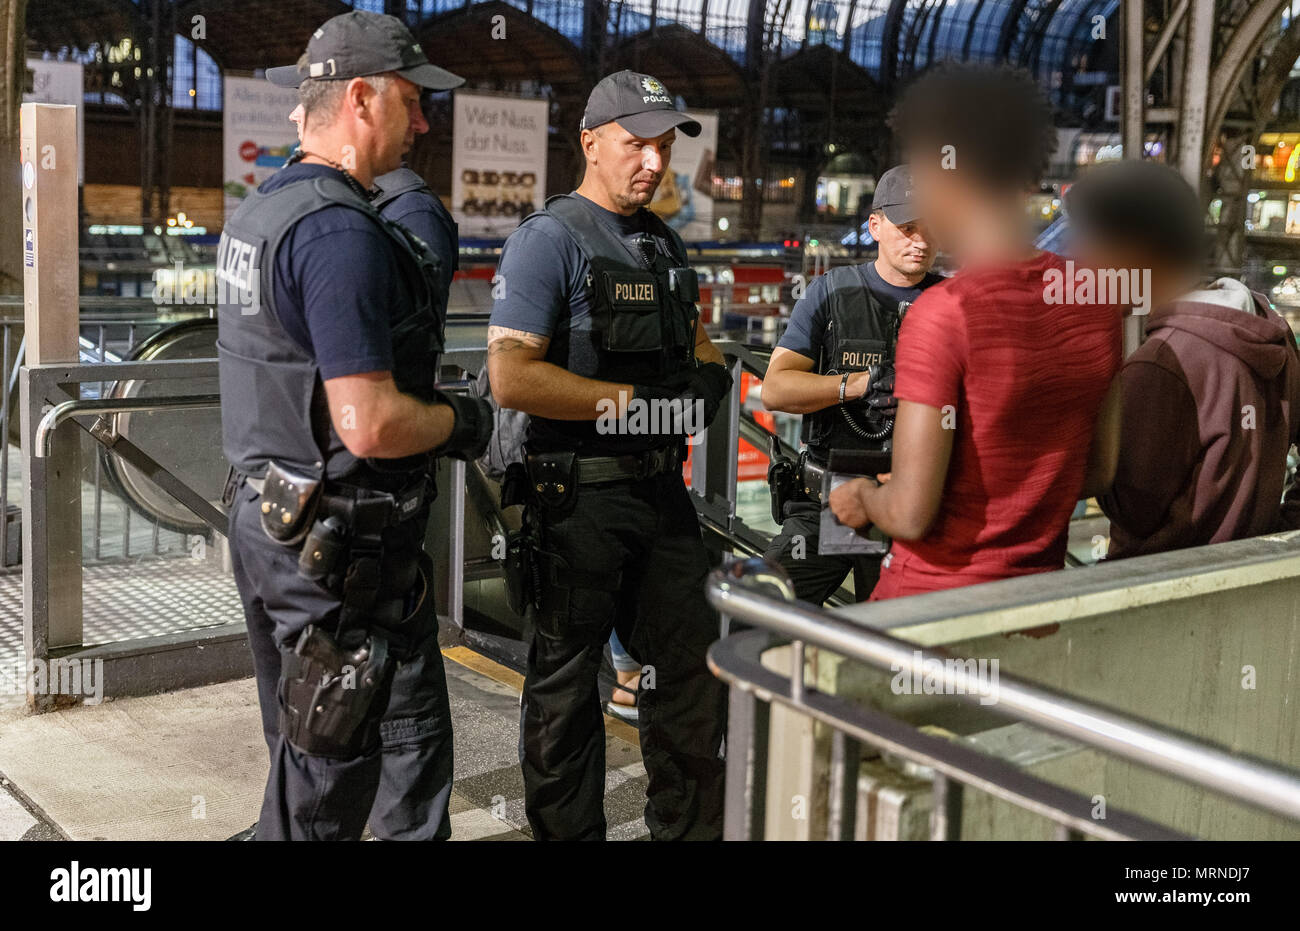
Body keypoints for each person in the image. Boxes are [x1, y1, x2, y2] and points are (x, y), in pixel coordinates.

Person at [217, 10, 490, 841]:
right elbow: (368, 423)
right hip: (334, 555)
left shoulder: (258, 215)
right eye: (412, 101)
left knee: (299, 747)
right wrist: (465, 419)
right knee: (331, 778)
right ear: (364, 98)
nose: (423, 121)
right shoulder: (341, 231)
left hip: (267, 521)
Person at [486, 70, 730, 840]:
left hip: (662, 498)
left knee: (689, 687)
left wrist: (709, 385)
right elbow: (510, 374)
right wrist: (628, 404)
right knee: (564, 694)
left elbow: (701, 349)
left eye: (664, 146)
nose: (655, 163)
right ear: (590, 142)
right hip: (576, 501)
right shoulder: (548, 240)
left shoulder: (663, 243)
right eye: (637, 144)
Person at [828, 63, 1123, 598]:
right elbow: (1099, 471)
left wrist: (864, 498)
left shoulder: (944, 314)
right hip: (1033, 606)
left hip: (927, 613)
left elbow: (912, 516)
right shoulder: (1097, 299)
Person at [1068, 160, 1300, 557]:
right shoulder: (1267, 324)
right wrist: (1282, 528)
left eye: (1087, 244)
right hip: (1243, 588)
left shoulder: (1159, 364)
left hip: (1159, 595)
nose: (1076, 262)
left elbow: (1131, 510)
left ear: (1133, 252)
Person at [760, 166, 942, 604]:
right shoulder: (830, 292)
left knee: (892, 647)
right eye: (907, 227)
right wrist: (858, 385)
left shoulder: (954, 304)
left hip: (912, 507)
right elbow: (776, 390)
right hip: (826, 504)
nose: (920, 241)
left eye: (932, 228)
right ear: (875, 226)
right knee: (760, 611)